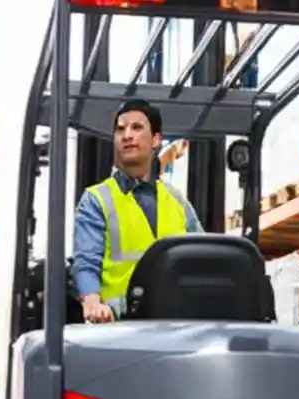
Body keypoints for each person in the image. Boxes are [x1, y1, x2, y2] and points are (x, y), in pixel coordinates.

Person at [70, 99, 204, 323]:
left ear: (156, 140)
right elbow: (86, 261)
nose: (127, 135)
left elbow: (202, 257)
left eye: (137, 127)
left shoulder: (178, 201)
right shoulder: (97, 199)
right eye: (121, 129)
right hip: (119, 324)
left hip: (173, 324)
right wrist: (92, 302)